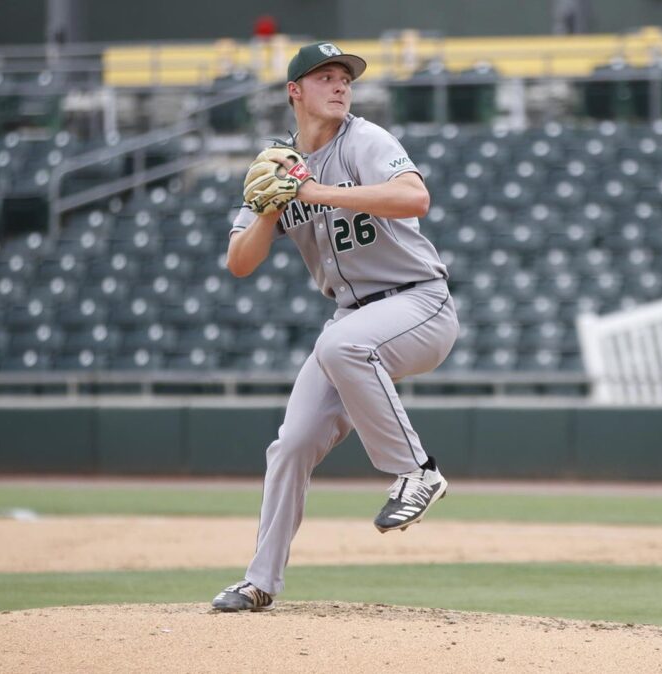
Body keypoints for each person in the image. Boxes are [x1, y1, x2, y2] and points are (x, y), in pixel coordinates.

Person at [212, 42, 459, 612]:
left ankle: (415, 472)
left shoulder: (366, 140)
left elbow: (415, 197)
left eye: (345, 76)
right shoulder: (273, 164)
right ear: (294, 91)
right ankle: (259, 582)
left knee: (342, 343)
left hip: (419, 304)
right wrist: (272, 208)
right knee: (291, 445)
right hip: (353, 320)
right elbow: (239, 262)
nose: (341, 84)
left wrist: (316, 191)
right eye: (324, 76)